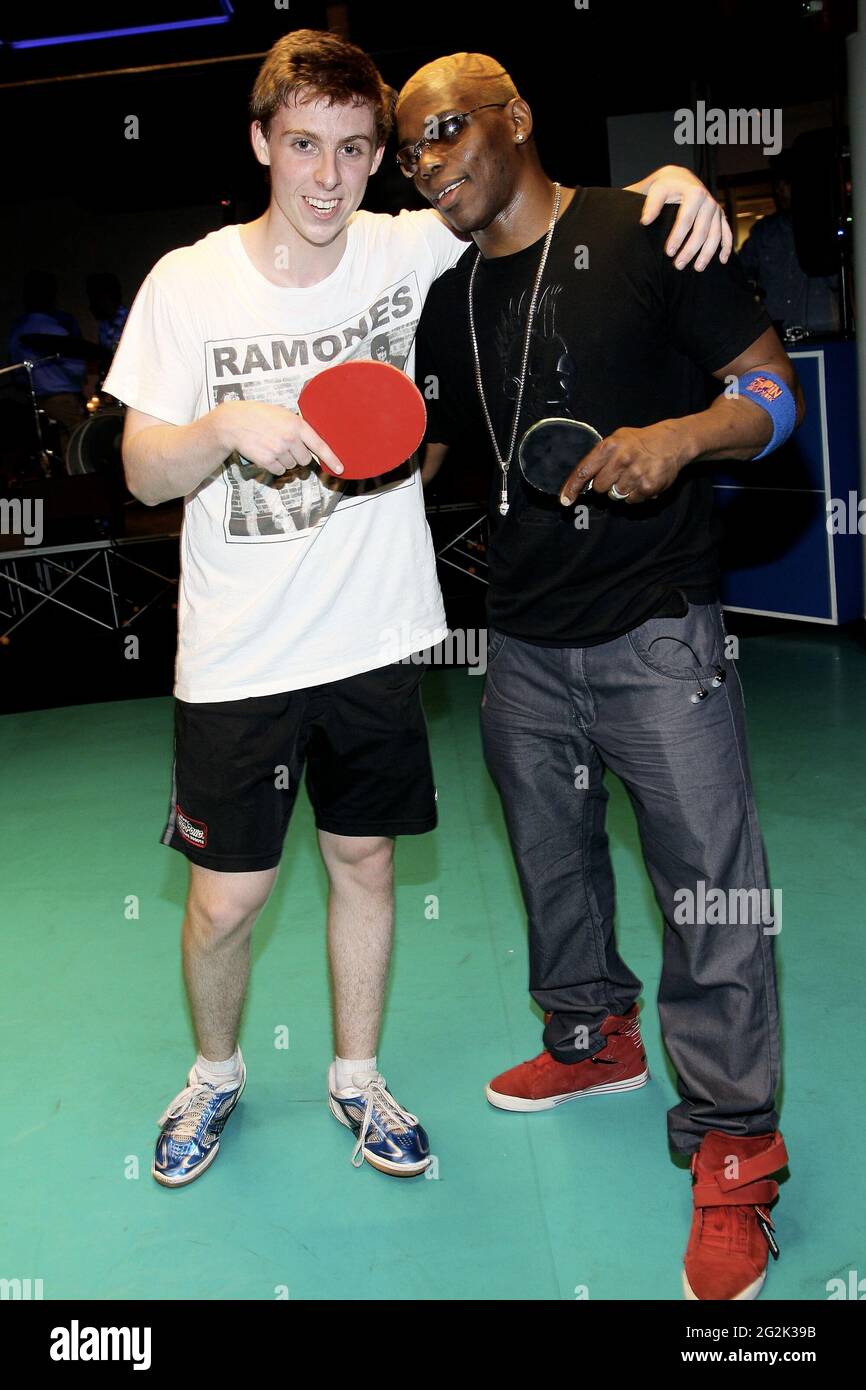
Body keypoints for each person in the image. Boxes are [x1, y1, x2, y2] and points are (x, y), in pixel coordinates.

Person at [102, 28, 730, 1193]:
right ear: (260, 144)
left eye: (353, 150)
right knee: (226, 900)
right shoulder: (187, 283)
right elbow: (141, 470)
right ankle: (216, 1069)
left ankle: (354, 1073)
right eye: (302, 147)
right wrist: (225, 428)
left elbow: (530, 205)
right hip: (236, 658)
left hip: (373, 641)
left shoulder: (406, 248)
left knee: (365, 867)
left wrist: (664, 189)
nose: (328, 178)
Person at [404, 52, 803, 1301]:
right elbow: (437, 457)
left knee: (710, 894)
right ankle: (589, 1038)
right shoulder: (445, 303)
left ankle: (735, 1147)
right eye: (412, 147)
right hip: (519, 640)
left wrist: (681, 439)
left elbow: (767, 393)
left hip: (656, 632)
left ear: (517, 118)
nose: (428, 161)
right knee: (550, 866)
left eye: (448, 130)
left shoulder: (648, 233)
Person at [738, 151, 839, 338]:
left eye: (788, 184)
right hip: (777, 338)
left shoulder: (826, 228)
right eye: (778, 185)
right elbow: (739, 275)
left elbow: (838, 281)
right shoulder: (763, 232)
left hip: (822, 335)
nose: (781, 191)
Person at [8, 271, 88, 451]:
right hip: (62, 401)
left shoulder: (17, 329)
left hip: (35, 401)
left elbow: (18, 375)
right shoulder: (53, 328)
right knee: (79, 445)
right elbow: (76, 368)